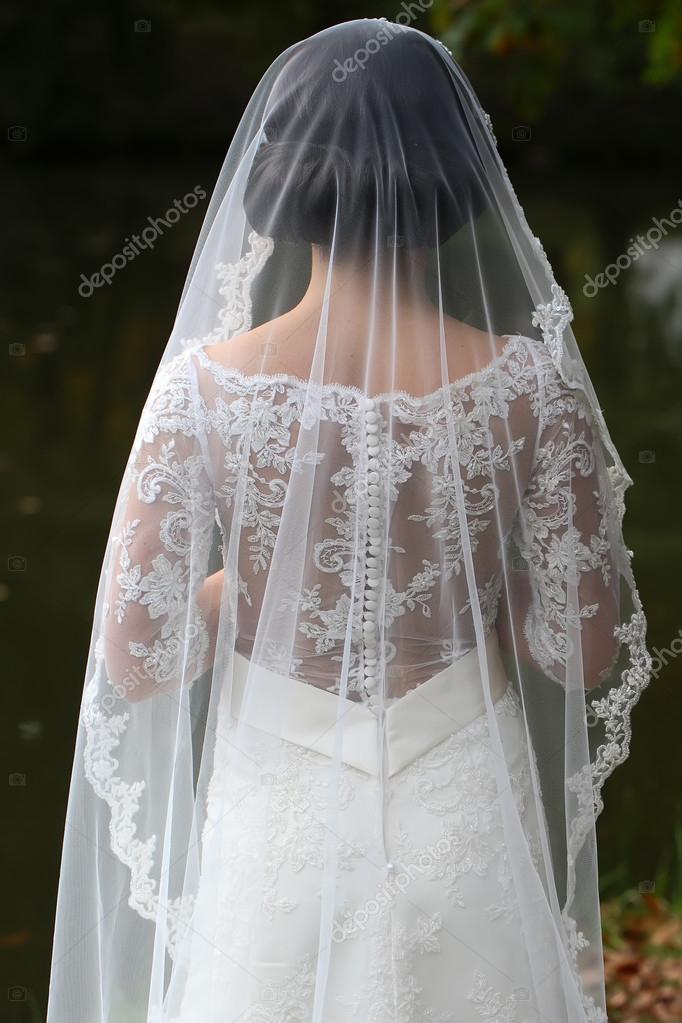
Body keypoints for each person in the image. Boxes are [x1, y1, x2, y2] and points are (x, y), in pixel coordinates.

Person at [47, 19, 652, 1023]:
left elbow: (137, 657)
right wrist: (476, 599)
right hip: (463, 811)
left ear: (277, 182)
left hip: (275, 817)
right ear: (458, 177)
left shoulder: (204, 391)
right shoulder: (528, 391)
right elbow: (584, 649)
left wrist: (246, 590)